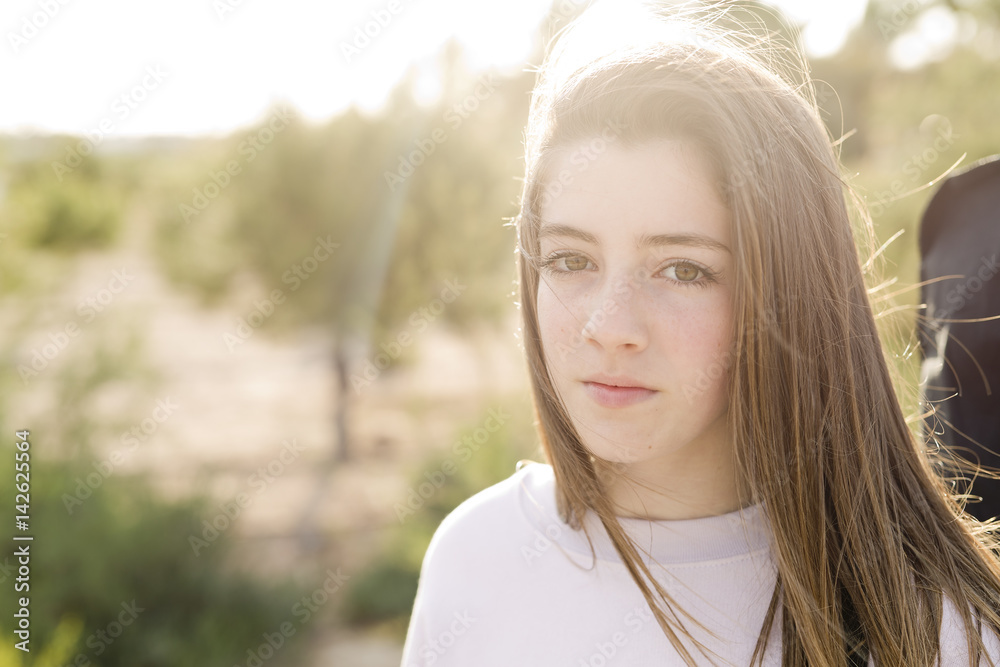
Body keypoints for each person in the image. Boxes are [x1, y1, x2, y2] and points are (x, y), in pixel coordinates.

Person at [399, 2, 1000, 665]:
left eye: (684, 270)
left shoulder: (937, 633)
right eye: (571, 260)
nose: (609, 328)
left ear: (786, 297)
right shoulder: (474, 559)